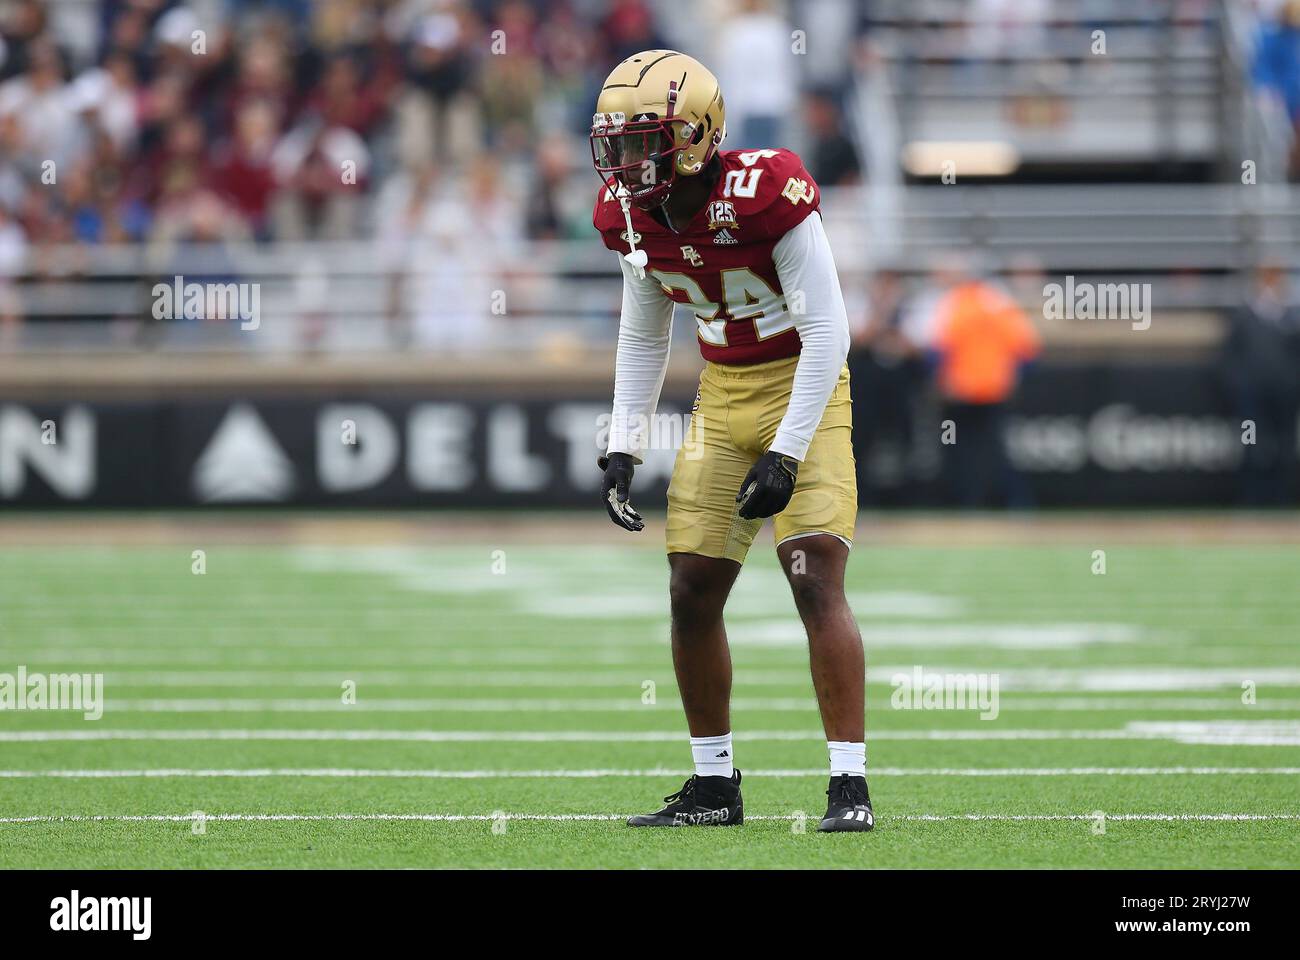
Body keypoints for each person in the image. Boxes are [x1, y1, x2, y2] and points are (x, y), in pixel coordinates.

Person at [590, 50, 872, 832]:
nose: (625, 161)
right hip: (721, 394)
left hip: (805, 384)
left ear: (696, 135)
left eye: (642, 140)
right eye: (616, 142)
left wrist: (787, 451)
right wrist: (624, 444)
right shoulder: (629, 214)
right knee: (690, 590)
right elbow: (644, 332)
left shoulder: (765, 190)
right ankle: (714, 786)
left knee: (813, 576)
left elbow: (829, 332)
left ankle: (849, 785)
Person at [929, 260, 1041, 508]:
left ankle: (962, 501)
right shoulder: (1002, 302)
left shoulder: (956, 301)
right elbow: (1027, 352)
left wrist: (940, 378)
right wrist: (1013, 378)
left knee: (954, 444)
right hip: (994, 389)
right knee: (996, 447)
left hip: (960, 390)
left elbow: (939, 349)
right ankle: (1013, 501)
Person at [1221, 262, 1300, 505]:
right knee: (1251, 444)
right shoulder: (1244, 316)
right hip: (1251, 396)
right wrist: (1239, 386)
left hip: (1285, 394)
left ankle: (1283, 499)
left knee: (1285, 445)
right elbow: (1230, 357)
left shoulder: (1291, 316)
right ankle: (1252, 499)